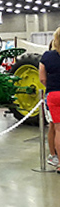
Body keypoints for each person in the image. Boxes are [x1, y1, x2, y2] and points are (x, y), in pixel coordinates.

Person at [39, 30, 60, 171]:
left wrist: (51, 87)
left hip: (54, 95)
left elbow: (42, 78)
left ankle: (58, 162)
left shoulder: (47, 56)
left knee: (57, 129)